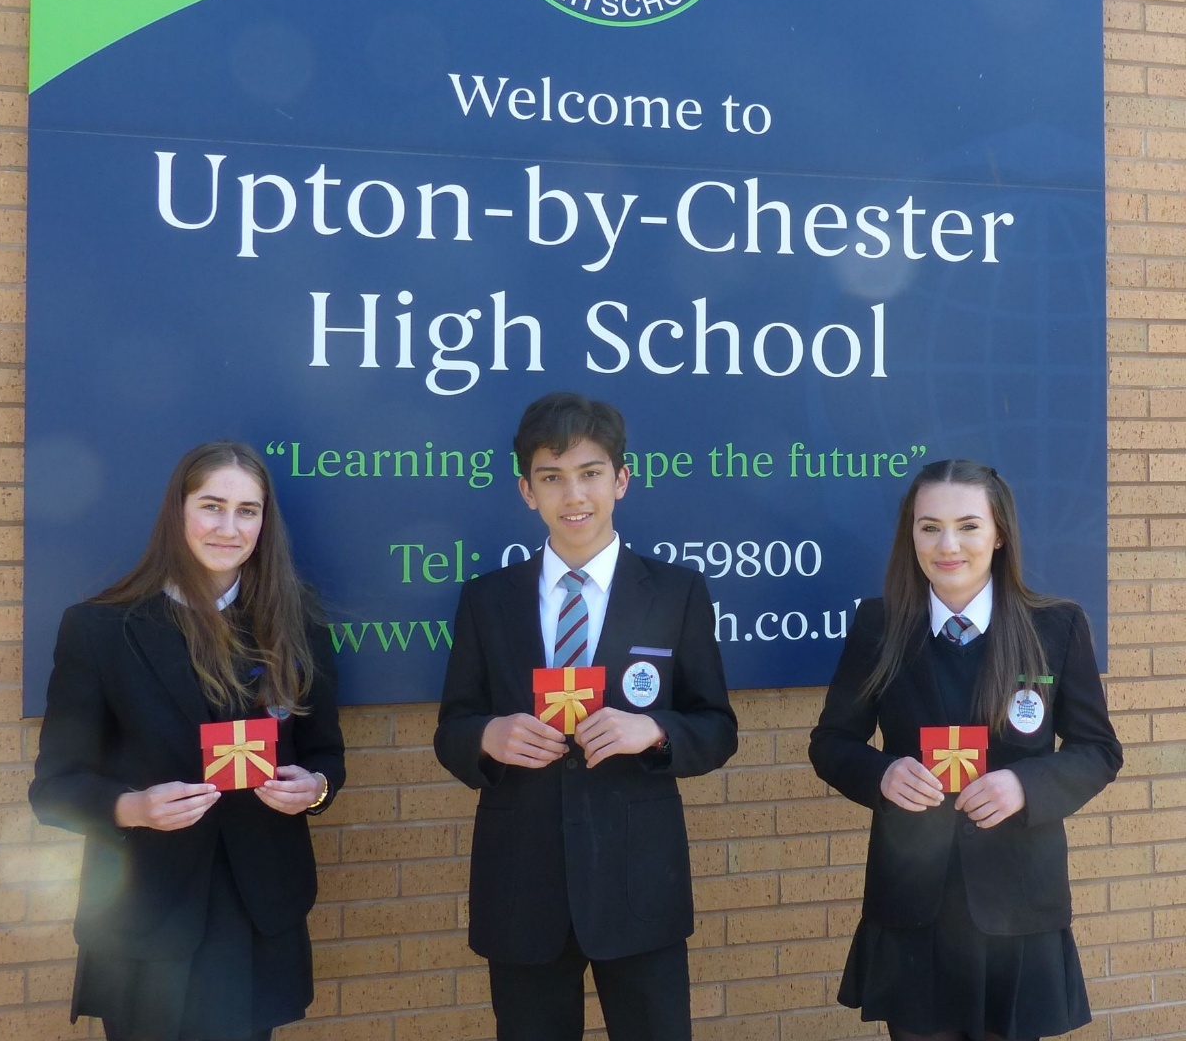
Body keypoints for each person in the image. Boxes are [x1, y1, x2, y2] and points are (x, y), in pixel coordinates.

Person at [434, 392, 738, 1041]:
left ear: (621, 480)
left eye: (590, 473)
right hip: (522, 887)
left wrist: (654, 729)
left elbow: (716, 727)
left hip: (639, 884)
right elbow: (452, 728)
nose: (574, 495)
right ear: (526, 491)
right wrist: (489, 735)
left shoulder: (675, 594)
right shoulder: (487, 601)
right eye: (552, 477)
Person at [30, 441, 345, 1041]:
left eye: (247, 511)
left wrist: (316, 788)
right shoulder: (99, 630)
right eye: (212, 506)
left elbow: (326, 754)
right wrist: (134, 808)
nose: (229, 527)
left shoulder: (297, 626)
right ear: (178, 511)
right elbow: (54, 788)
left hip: (257, 911)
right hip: (146, 914)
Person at [809, 459, 1122, 1041]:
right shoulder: (879, 626)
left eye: (968, 525)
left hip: (1018, 903)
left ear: (999, 533)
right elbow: (831, 743)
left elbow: (1098, 750)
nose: (948, 544)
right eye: (929, 527)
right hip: (913, 905)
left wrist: (1025, 786)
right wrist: (882, 773)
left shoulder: (1056, 627)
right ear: (912, 535)